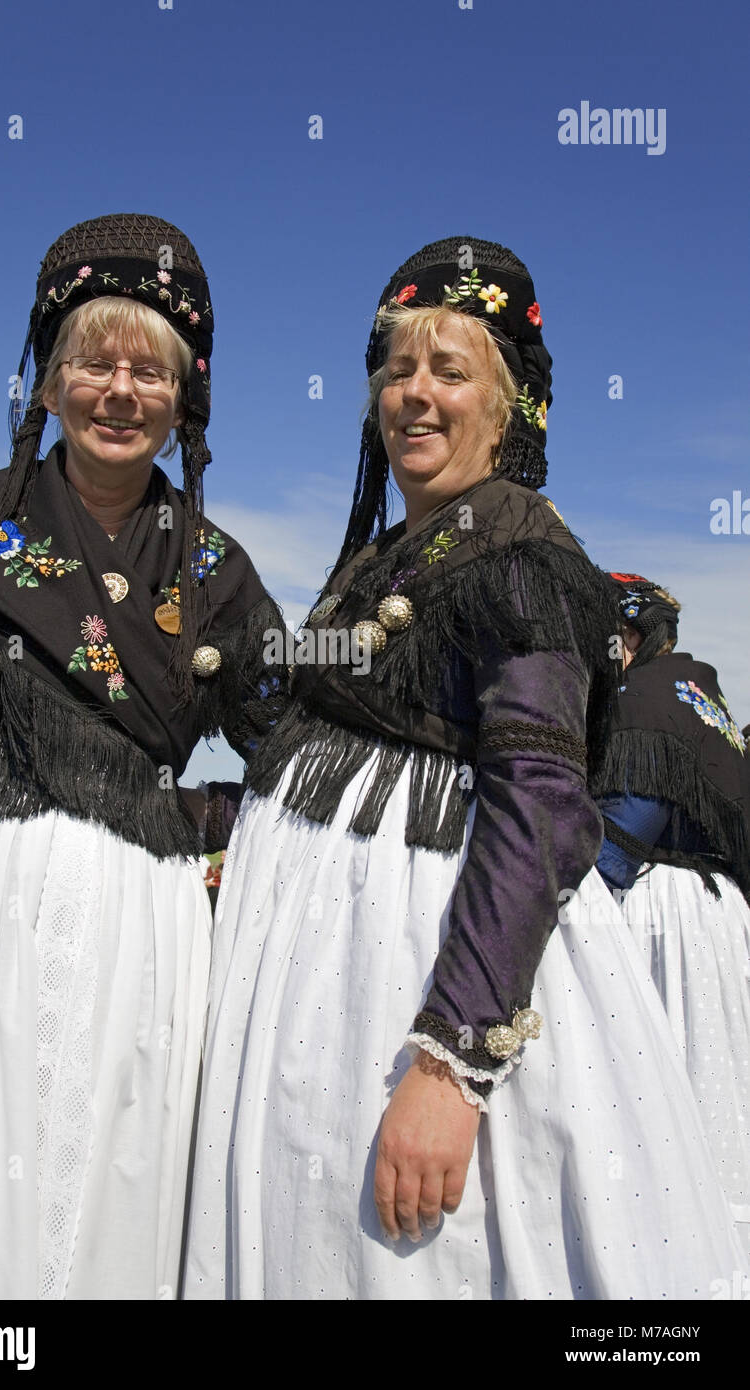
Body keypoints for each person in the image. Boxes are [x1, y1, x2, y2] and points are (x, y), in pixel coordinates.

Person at [184, 237, 746, 1300]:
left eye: (449, 370)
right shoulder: (380, 563)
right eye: (396, 370)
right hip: (324, 1005)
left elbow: (542, 805)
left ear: (509, 407)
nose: (413, 395)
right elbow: (308, 753)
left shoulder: (523, 557)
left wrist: (449, 1067)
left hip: (424, 994)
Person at [0, 213, 286, 1299]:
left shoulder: (218, 573)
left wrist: (208, 820)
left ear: (181, 398)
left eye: (147, 370)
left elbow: (295, 751)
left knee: (102, 1192)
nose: (120, 391)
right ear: (50, 381)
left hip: (136, 931)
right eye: (94, 362)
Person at [594, 574, 750, 1248]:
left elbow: (619, 843)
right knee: (715, 1085)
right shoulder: (704, 698)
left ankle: (673, 1257)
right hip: (718, 912)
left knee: (657, 1094)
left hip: (665, 913)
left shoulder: (643, 698)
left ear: (631, 637)